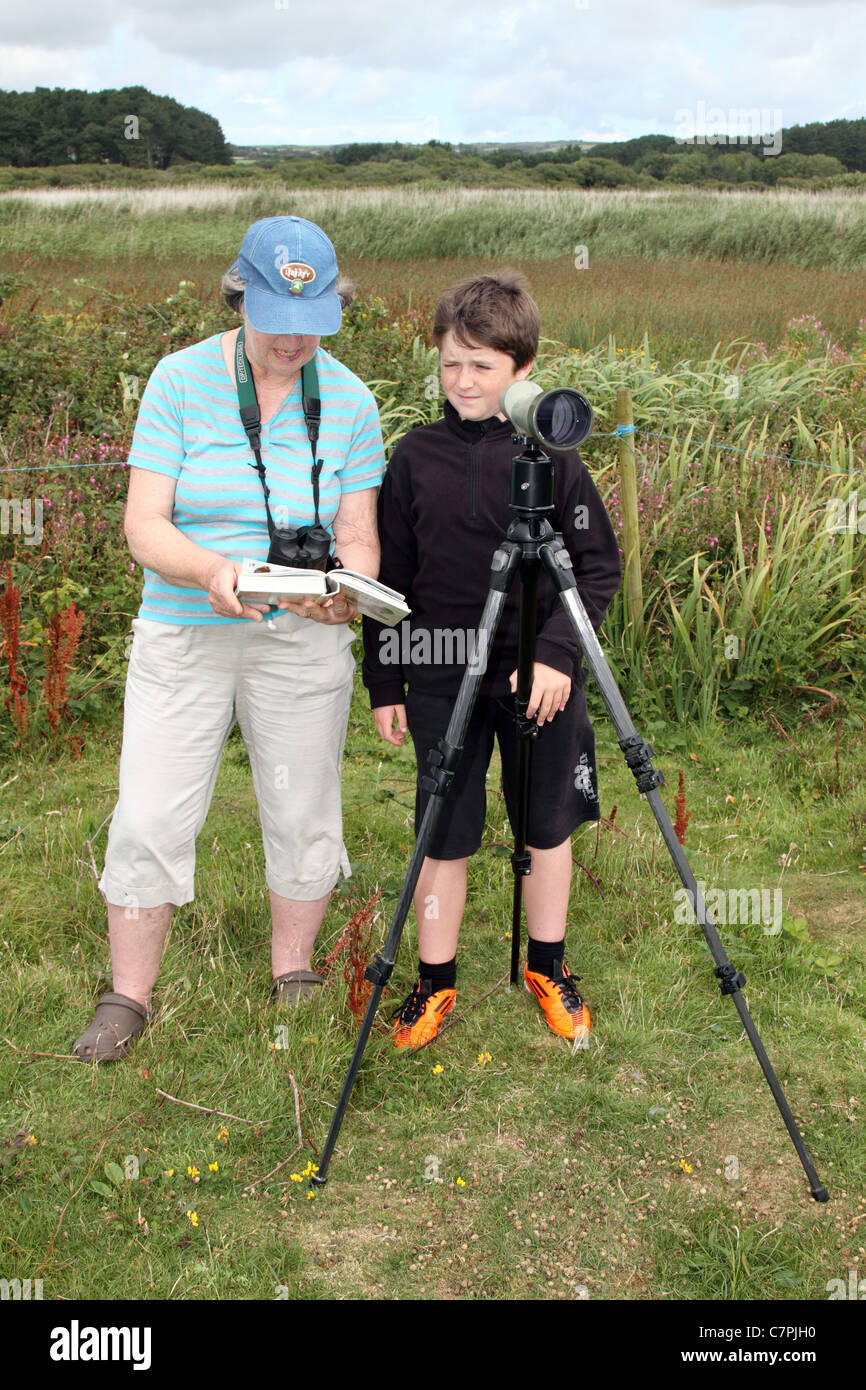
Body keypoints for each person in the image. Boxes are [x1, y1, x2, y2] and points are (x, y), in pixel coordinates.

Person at [73, 216, 385, 1062]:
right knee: (150, 810)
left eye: (314, 319)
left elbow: (358, 532)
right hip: (186, 628)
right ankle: (128, 996)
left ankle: (294, 971)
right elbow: (145, 526)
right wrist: (215, 571)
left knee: (305, 804)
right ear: (239, 293)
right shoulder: (178, 381)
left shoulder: (351, 399)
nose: (294, 338)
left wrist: (342, 594)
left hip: (301, 640)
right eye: (277, 318)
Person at [362, 271, 621, 1048]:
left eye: (482, 365)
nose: (463, 380)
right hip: (441, 671)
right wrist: (386, 680)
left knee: (545, 825)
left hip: (537, 676)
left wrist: (556, 656)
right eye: (451, 362)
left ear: (521, 372)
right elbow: (389, 581)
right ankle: (434, 983)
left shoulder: (554, 457)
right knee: (443, 831)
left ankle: (548, 966)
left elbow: (596, 569)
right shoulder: (415, 458)